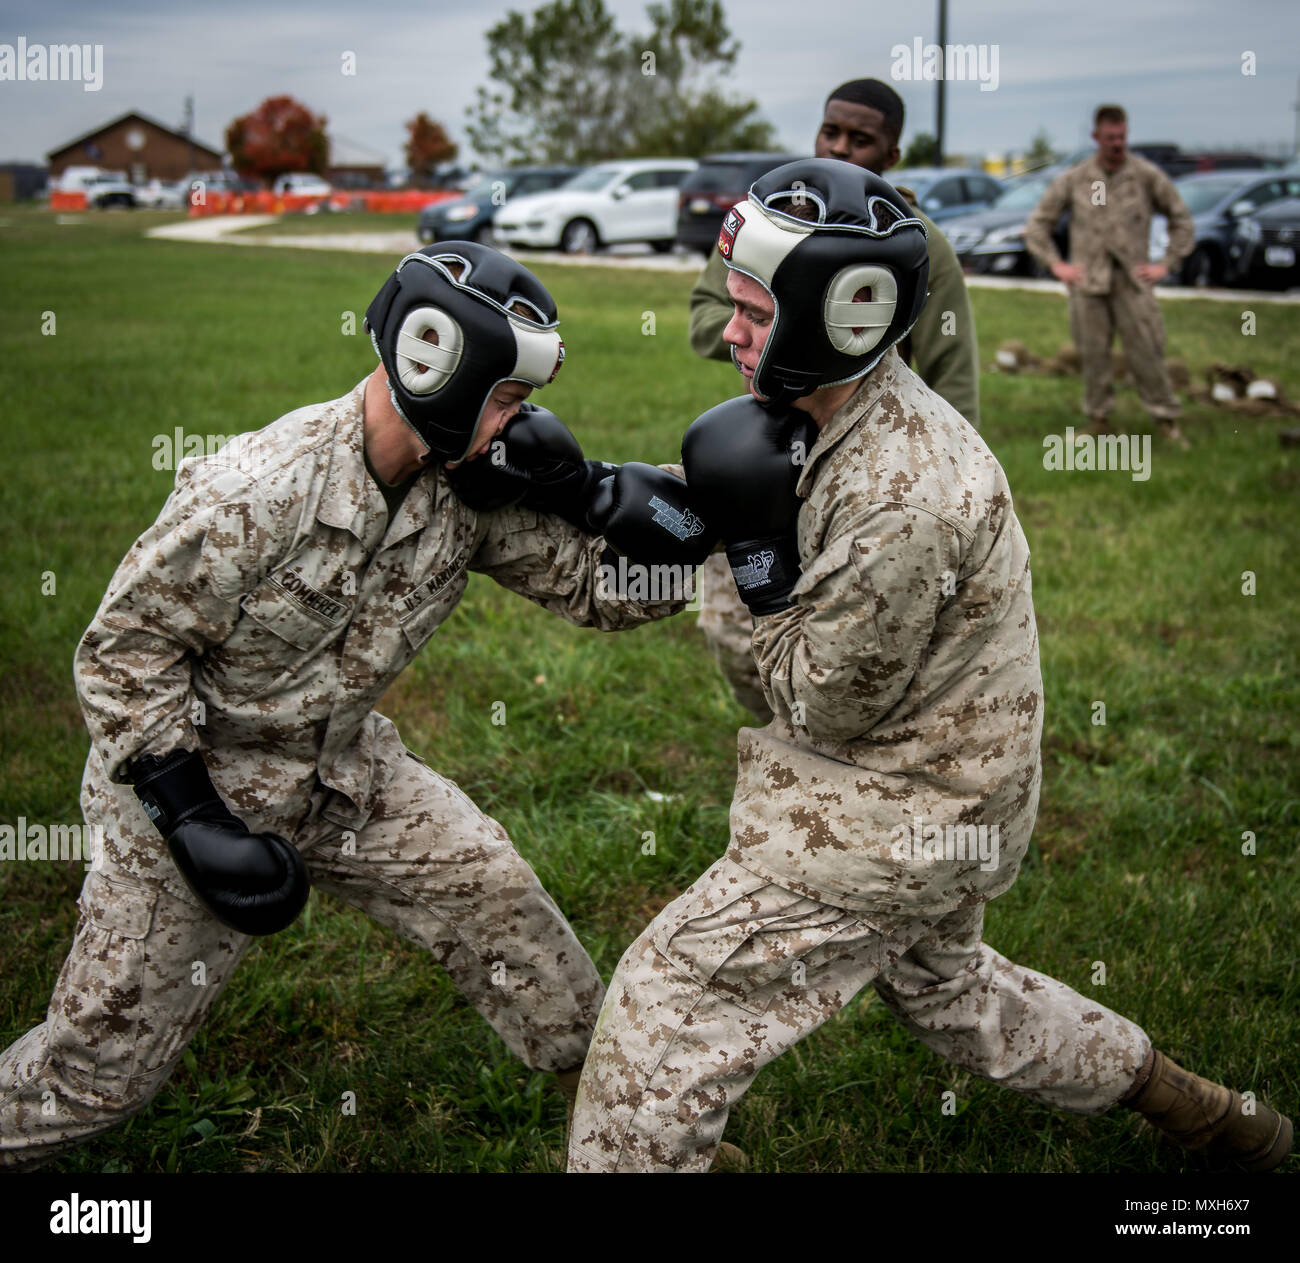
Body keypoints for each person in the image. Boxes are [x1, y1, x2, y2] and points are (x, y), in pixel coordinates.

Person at [565, 160, 1292, 1173]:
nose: (728, 331)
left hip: (905, 807)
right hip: (954, 788)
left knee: (667, 1003)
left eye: (750, 310)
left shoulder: (904, 492)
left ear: (840, 320)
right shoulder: (813, 420)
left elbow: (816, 705)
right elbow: (646, 568)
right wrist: (572, 490)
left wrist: (748, 560)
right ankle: (1209, 1115)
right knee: (952, 994)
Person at [0, 242, 709, 1170]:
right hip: (195, 783)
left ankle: (622, 1122)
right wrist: (190, 814)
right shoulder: (256, 491)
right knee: (98, 1070)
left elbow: (595, 593)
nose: (520, 423)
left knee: (499, 903)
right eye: (505, 399)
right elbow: (124, 652)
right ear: (434, 367)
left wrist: (624, 506)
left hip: (346, 771)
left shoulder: (467, 484)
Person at [689, 78, 979, 723]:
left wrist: (953, 483)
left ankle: (837, 751)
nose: (842, 148)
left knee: (852, 651)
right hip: (762, 452)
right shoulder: (767, 223)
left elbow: (953, 372)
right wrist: (775, 334)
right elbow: (705, 318)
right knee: (735, 629)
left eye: (862, 138)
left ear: (892, 154)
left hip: (866, 454)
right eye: (831, 132)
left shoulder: (917, 247)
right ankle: (785, 735)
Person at [1025, 104, 1195, 447]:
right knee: (1094, 354)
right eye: (1110, 137)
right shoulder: (1076, 179)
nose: (1117, 143)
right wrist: (1058, 265)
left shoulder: (1146, 176)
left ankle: (1167, 422)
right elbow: (1037, 225)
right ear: (1096, 137)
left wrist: (1165, 263)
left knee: (1147, 350)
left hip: (1133, 282)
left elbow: (1183, 221)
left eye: (1122, 136)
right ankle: (1099, 420)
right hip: (1089, 282)